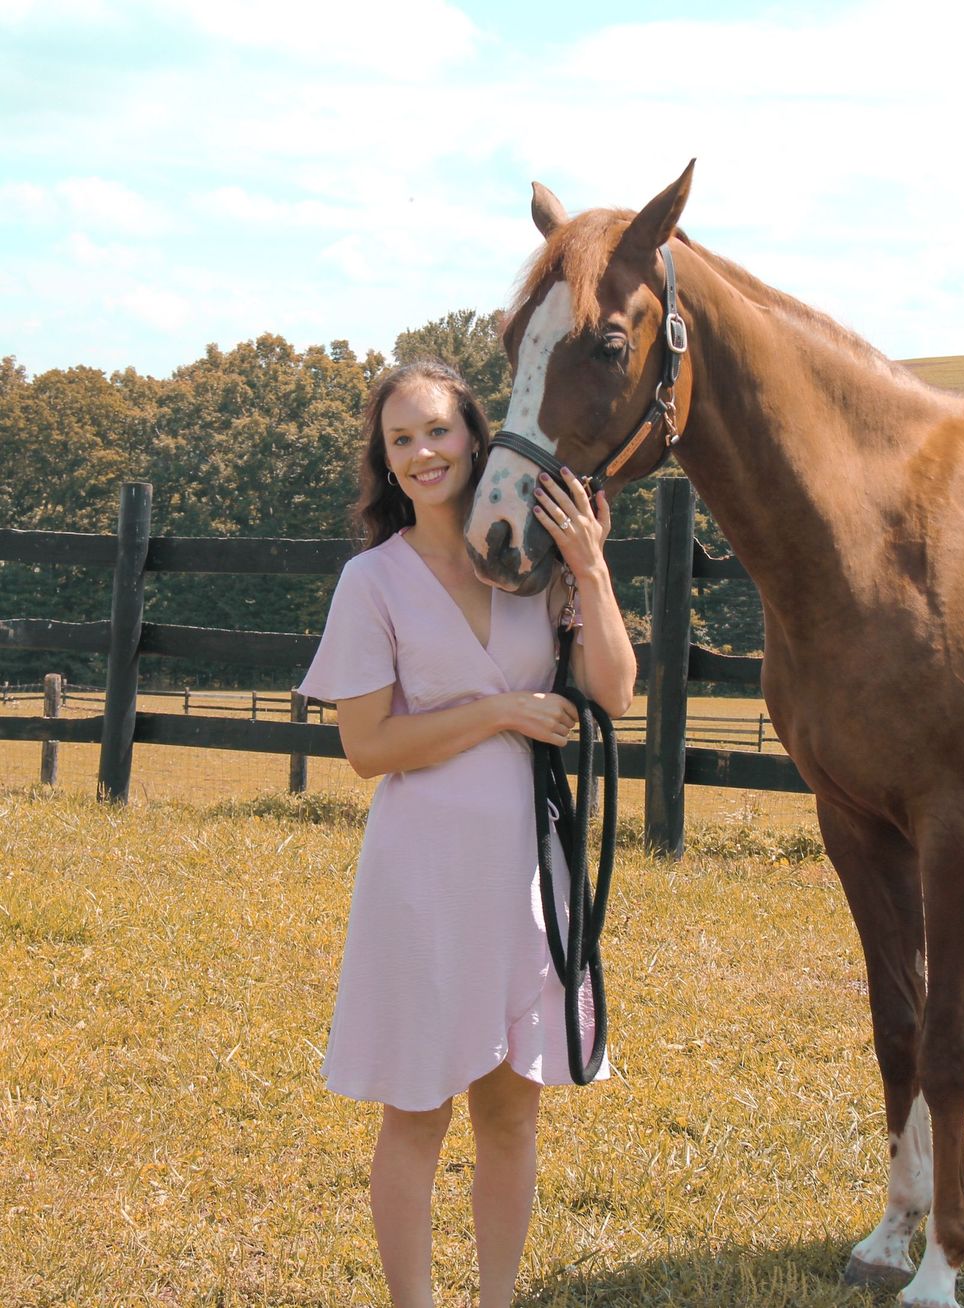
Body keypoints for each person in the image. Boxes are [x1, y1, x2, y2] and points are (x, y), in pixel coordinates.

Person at [297, 358, 636, 1308]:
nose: (420, 453)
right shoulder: (373, 582)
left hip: (528, 871)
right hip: (425, 875)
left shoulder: (527, 567)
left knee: (512, 1113)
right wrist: (503, 714)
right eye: (399, 440)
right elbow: (368, 748)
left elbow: (613, 691)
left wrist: (592, 570)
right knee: (417, 1110)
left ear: (474, 438)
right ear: (386, 462)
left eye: (436, 431)